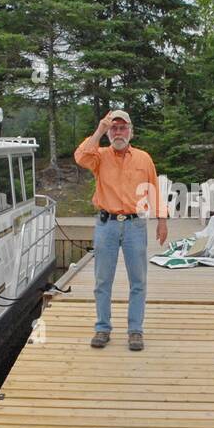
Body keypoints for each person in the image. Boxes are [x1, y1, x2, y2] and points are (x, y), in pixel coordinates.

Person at [74, 110, 168, 351]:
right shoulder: (99, 156)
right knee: (102, 280)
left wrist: (162, 220)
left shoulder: (143, 158)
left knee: (138, 281)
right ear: (108, 132)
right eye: (113, 128)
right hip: (107, 225)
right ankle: (102, 328)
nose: (118, 132)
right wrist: (99, 129)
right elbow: (80, 156)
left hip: (136, 225)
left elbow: (154, 188)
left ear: (131, 131)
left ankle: (135, 330)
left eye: (122, 128)